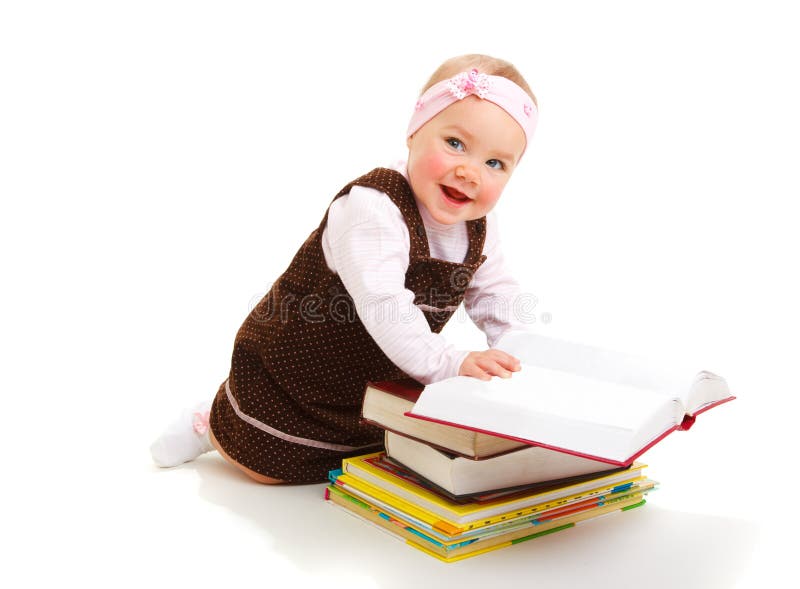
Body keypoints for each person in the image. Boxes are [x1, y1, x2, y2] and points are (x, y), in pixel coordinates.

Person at [150, 54, 539, 484]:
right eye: (455, 144)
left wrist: (520, 355)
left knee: (367, 458)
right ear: (414, 133)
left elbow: (496, 293)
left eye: (495, 163)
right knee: (267, 468)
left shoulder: (478, 226)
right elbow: (384, 305)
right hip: (298, 369)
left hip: (374, 375)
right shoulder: (373, 207)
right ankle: (214, 425)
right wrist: (452, 362)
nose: (469, 172)